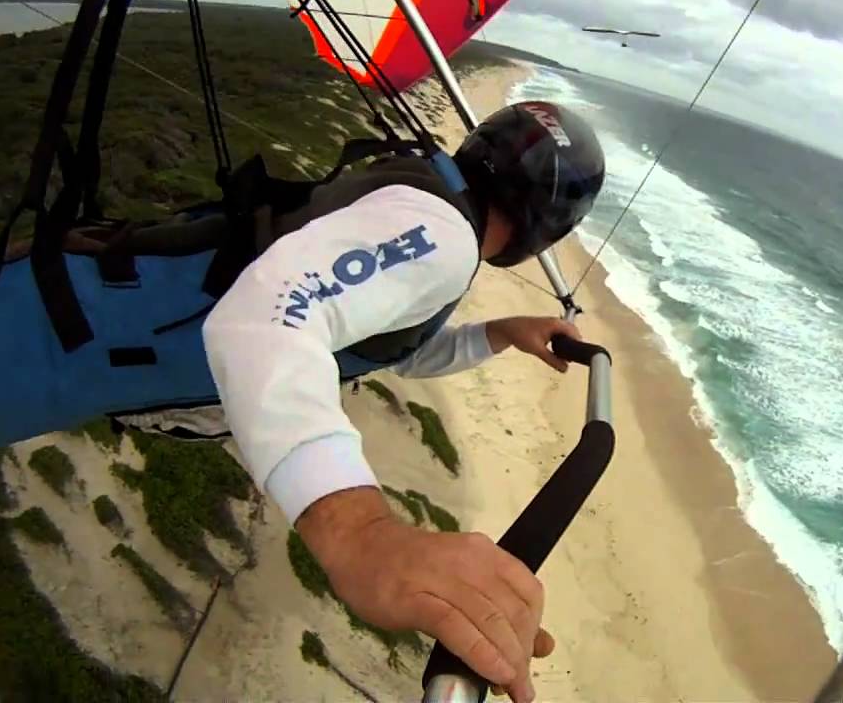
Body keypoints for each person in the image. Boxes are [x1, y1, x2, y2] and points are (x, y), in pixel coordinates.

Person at [202, 101, 604, 703]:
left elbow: (375, 343)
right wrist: (360, 534)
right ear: (549, 222)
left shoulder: (428, 191)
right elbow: (260, 317)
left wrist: (498, 333)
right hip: (70, 342)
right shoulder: (442, 237)